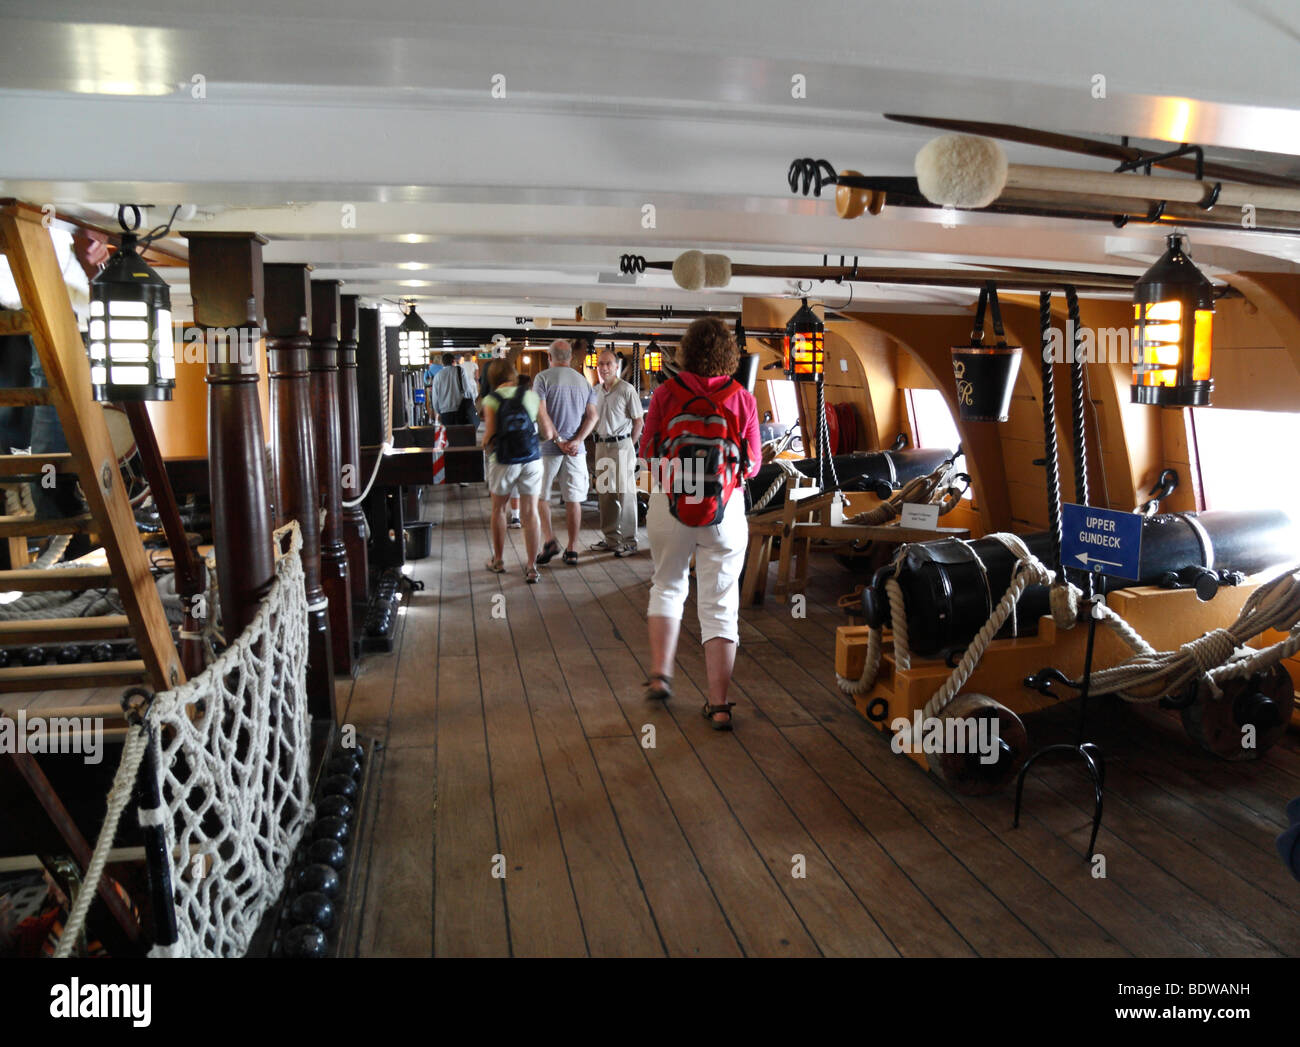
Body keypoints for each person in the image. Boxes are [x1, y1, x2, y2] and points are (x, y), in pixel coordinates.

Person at [639, 317, 760, 730]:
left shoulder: (665, 394)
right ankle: (720, 704)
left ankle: (660, 676)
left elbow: (647, 453)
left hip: (671, 504)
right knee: (721, 603)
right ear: (728, 354)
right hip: (725, 509)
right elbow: (754, 465)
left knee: (667, 585)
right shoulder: (742, 398)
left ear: (685, 351)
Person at [480, 360, 558, 583]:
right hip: (531, 459)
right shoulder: (531, 396)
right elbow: (548, 432)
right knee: (530, 512)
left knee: (499, 509)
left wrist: (484, 447)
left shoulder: (492, 399)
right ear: (513, 374)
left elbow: (490, 436)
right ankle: (532, 567)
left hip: (504, 460)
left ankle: (498, 560)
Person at [532, 339, 598, 566]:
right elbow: (593, 416)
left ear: (549, 357)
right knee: (574, 499)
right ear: (571, 358)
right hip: (576, 451)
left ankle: (550, 540)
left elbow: (541, 413)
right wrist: (577, 440)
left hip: (548, 448)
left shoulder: (542, 378)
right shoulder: (583, 382)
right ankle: (572, 549)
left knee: (541, 498)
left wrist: (559, 439)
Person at [591, 347, 643, 556]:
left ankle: (630, 541)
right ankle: (611, 538)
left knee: (626, 494)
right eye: (601, 364)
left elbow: (639, 421)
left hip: (622, 445)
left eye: (608, 364)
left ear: (616, 366)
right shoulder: (595, 391)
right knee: (605, 493)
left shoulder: (626, 389)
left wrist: (629, 444)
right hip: (601, 445)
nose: (604, 368)